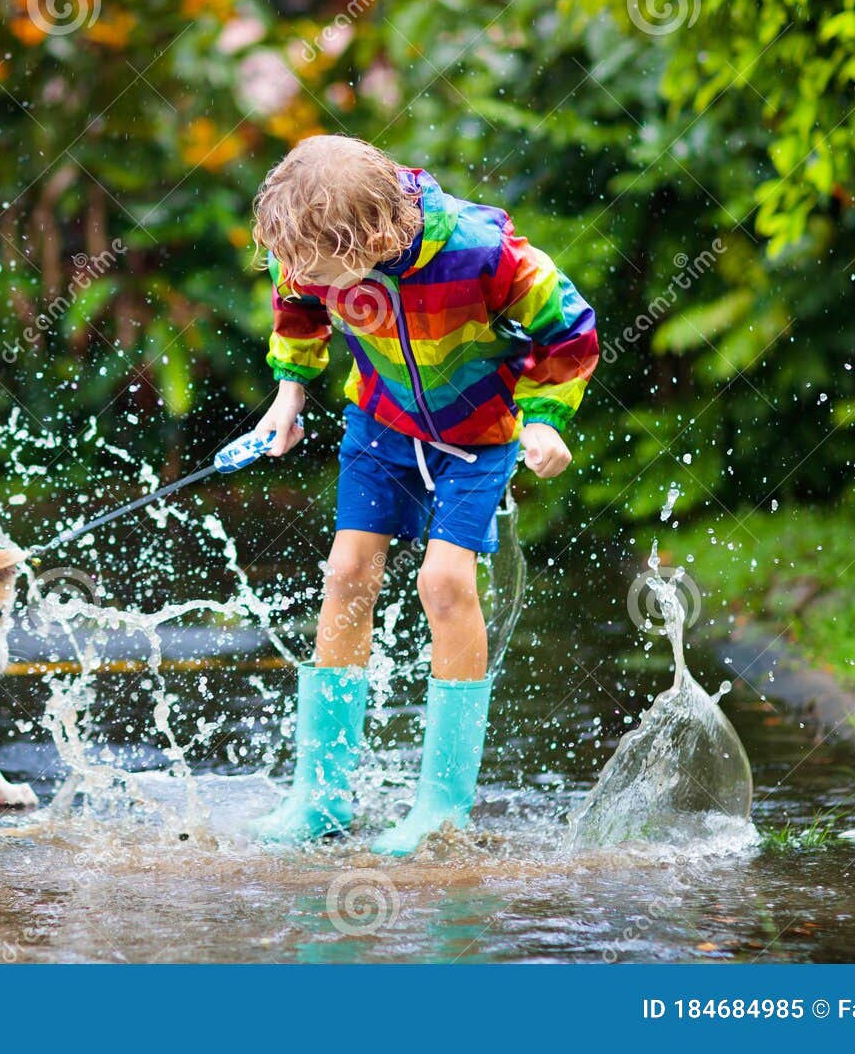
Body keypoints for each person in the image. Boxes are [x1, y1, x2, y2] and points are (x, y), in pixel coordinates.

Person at [247, 135, 598, 855]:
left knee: (443, 582)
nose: (305, 276)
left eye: (319, 267)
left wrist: (547, 419)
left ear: (369, 236)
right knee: (346, 574)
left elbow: (570, 328)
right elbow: (296, 302)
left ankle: (441, 808)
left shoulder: (483, 253)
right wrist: (289, 395)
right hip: (380, 420)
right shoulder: (313, 250)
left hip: (479, 433)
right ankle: (321, 793)